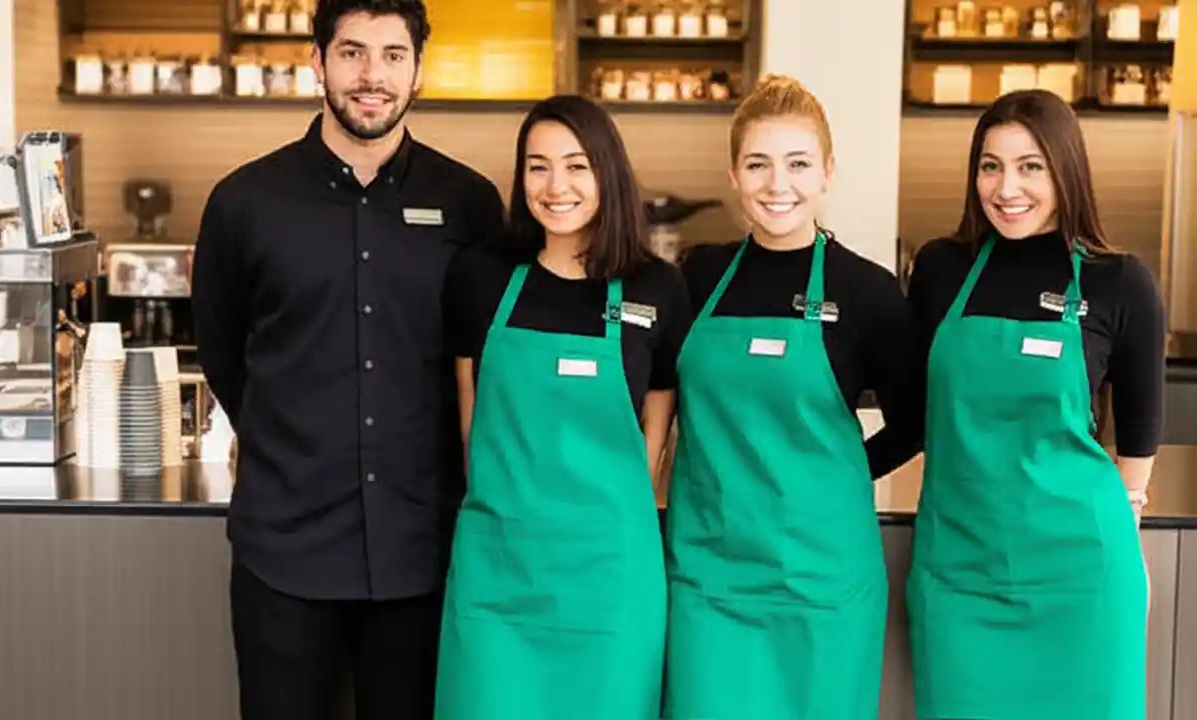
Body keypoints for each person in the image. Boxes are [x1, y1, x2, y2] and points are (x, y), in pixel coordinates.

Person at [191, 0, 506, 717]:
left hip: (422, 551)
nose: (373, 75)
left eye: (393, 55)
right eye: (353, 52)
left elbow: (486, 357)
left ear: (419, 70)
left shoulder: (470, 205)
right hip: (285, 552)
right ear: (318, 63)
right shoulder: (245, 202)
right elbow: (222, 350)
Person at [662, 74, 924, 719]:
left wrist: (831, 480)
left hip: (823, 581)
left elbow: (916, 421)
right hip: (708, 575)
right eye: (759, 164)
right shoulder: (696, 277)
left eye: (798, 163)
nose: (778, 185)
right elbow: (653, 397)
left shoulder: (868, 292)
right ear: (734, 173)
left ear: (828, 171)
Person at [905, 89, 1164, 719]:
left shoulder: (1118, 281)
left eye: (1030, 166)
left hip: (1079, 577)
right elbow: (910, 404)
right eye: (991, 165)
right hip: (958, 574)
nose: (1006, 187)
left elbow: (1139, 431)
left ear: (1065, 169)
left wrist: (1121, 520)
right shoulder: (940, 268)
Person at [433, 94, 691, 720]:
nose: (556, 186)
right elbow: (470, 424)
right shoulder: (482, 274)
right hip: (500, 572)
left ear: (608, 172)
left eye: (577, 166)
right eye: (537, 166)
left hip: (610, 580)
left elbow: (655, 443)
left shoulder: (657, 289)